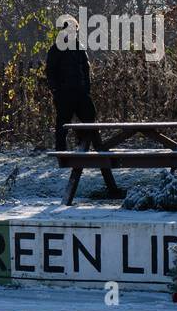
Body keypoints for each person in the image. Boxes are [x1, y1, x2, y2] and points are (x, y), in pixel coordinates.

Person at [46, 15, 121, 194]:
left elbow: (86, 69)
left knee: (90, 118)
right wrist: (57, 90)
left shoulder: (79, 48)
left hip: (80, 92)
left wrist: (86, 88)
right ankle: (61, 153)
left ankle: (89, 148)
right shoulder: (56, 49)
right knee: (62, 123)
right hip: (65, 93)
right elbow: (50, 72)